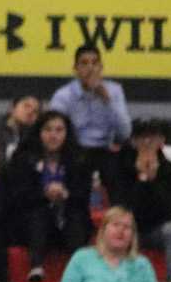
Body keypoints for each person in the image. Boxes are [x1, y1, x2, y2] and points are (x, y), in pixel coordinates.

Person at [1, 110, 92, 282]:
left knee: (75, 217)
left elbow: (83, 196)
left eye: (59, 130)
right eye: (48, 130)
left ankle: (79, 270)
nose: (53, 135)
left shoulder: (79, 159)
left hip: (68, 224)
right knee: (38, 213)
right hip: (32, 227)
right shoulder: (23, 158)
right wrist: (44, 194)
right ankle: (36, 267)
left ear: (67, 133)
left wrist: (66, 194)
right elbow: (16, 196)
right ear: (39, 133)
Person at [105, 119, 171, 279]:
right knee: (115, 227)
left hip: (156, 230)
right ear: (133, 141)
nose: (148, 142)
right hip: (127, 228)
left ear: (162, 141)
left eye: (153, 137)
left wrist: (153, 182)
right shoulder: (119, 168)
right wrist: (142, 180)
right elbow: (121, 209)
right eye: (142, 137)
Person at [49, 45, 131, 184]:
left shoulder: (114, 91)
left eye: (95, 63)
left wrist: (108, 101)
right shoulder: (63, 96)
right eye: (84, 63)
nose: (90, 68)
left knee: (123, 163)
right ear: (75, 69)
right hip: (76, 150)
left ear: (101, 67)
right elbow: (55, 132)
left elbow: (125, 132)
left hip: (106, 150)